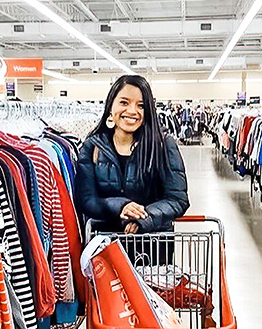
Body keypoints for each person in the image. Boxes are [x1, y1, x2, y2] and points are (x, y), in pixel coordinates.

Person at [76, 75, 189, 237]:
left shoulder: (163, 145)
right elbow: (85, 199)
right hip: (104, 245)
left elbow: (177, 199)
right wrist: (121, 206)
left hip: (154, 245)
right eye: (124, 102)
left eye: (141, 105)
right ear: (110, 106)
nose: (132, 111)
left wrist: (143, 217)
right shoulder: (93, 146)